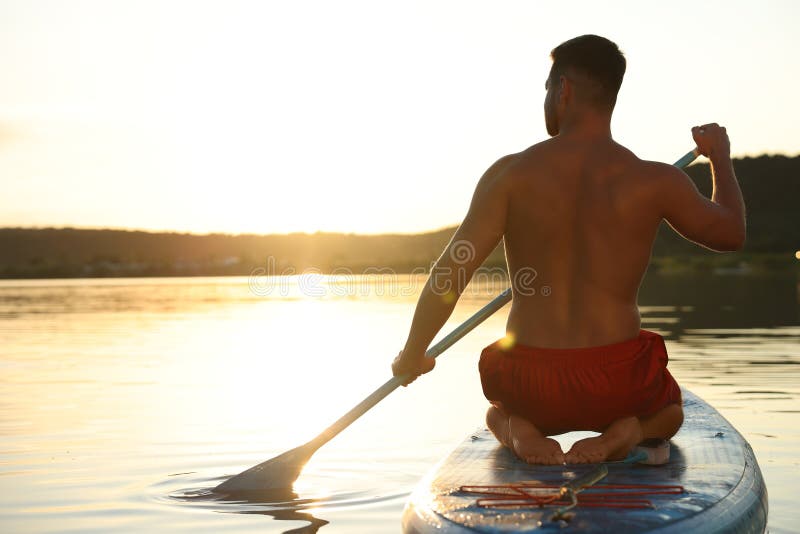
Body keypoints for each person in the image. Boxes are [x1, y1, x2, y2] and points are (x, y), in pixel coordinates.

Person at [391, 34, 746, 465]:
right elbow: (730, 234)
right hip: (617, 380)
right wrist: (720, 158)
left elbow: (451, 273)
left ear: (564, 91)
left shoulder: (510, 175)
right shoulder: (653, 180)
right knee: (671, 412)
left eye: (546, 87)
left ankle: (519, 432)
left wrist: (413, 353)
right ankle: (631, 430)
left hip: (531, 381)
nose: (546, 97)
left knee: (495, 412)